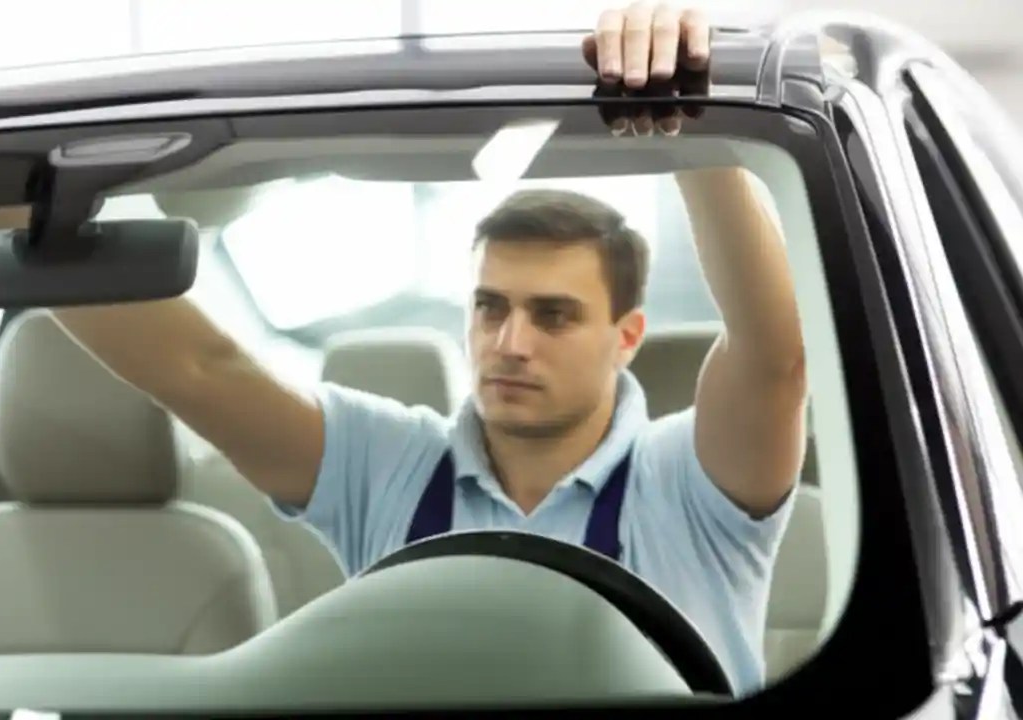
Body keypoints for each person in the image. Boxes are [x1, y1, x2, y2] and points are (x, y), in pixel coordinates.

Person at [51, 1, 806, 695]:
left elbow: (776, 358)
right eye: (490, 307)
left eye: (553, 316)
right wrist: (23, 214)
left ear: (627, 338)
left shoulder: (689, 486)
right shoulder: (388, 465)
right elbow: (199, 370)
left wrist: (686, 114)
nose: (509, 343)